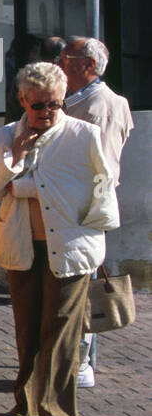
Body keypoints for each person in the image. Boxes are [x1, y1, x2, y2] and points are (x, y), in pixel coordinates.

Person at [0, 61, 119, 416]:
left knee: (61, 332)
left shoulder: (83, 136)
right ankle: (25, 405)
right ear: (22, 100)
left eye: (54, 104)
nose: (46, 112)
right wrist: (15, 160)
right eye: (38, 105)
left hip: (71, 247)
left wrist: (25, 188)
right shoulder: (4, 137)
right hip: (22, 247)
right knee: (27, 329)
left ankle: (57, 413)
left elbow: (100, 186)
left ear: (64, 100)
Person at [59, 37, 134, 387]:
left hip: (82, 207)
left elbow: (98, 166)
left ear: (88, 65)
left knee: (81, 283)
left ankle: (82, 360)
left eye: (67, 58)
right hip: (76, 206)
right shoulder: (82, 102)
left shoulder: (99, 106)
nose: (60, 64)